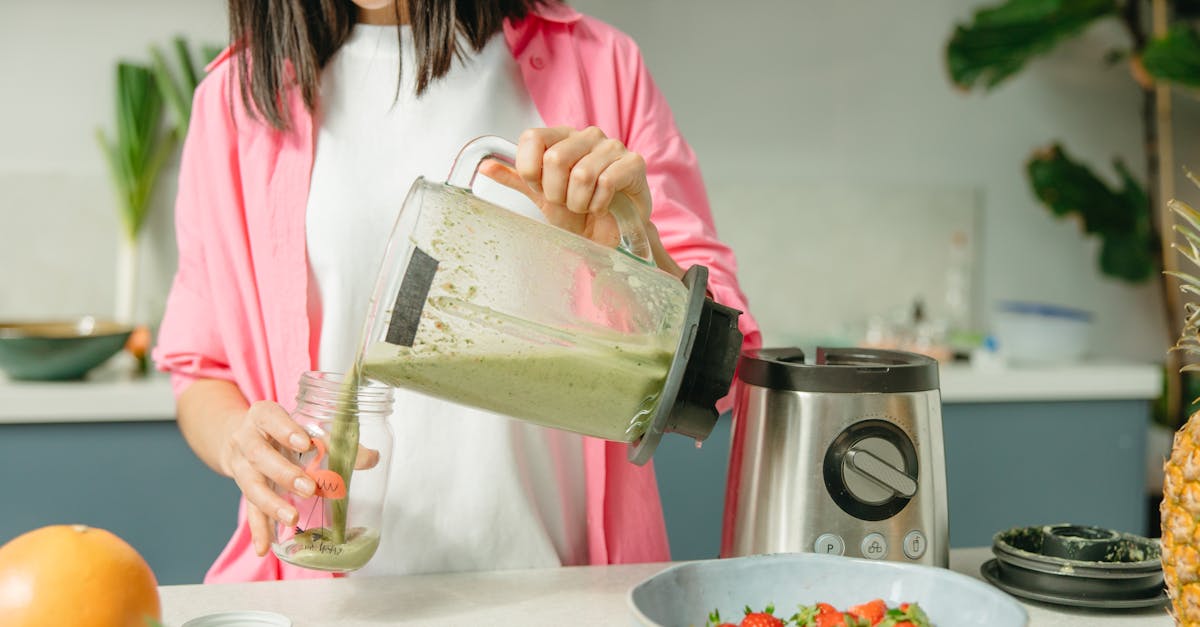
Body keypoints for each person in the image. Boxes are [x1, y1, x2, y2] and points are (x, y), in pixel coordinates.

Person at [153, 0, 761, 583]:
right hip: (323, 593)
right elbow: (200, 370)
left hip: (562, 588)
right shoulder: (236, 98)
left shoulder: (601, 65)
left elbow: (725, 372)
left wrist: (629, 252)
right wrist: (240, 444)